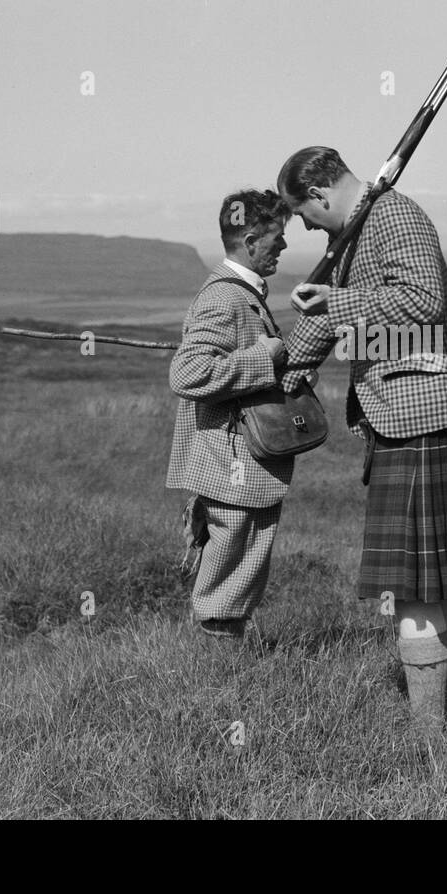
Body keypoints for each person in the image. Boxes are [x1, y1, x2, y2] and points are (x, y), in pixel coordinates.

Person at [276, 146, 447, 729]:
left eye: (303, 213)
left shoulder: (394, 216)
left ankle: (429, 742)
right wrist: (282, 370)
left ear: (321, 194)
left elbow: (423, 305)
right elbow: (328, 320)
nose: (302, 225)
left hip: (425, 419)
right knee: (436, 589)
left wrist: (340, 299)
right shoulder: (353, 232)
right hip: (411, 422)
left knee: (418, 593)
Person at [166, 189, 292, 642]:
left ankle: (223, 670)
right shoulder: (226, 298)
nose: (283, 247)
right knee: (231, 568)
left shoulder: (240, 292)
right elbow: (189, 373)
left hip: (237, 457)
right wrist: (265, 359)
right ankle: (219, 675)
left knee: (239, 562)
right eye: (277, 238)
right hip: (232, 460)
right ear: (252, 239)